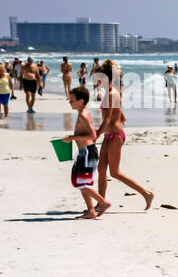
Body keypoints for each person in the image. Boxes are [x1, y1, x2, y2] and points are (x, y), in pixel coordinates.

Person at [95, 60, 155, 209]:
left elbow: (108, 119)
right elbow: (120, 116)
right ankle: (101, 203)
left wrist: (94, 135)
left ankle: (147, 194)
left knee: (114, 172)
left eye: (98, 78)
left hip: (115, 137)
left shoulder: (111, 94)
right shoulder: (111, 92)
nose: (96, 81)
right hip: (109, 135)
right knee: (101, 169)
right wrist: (118, 119)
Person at [60, 85, 107, 219]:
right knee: (82, 182)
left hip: (87, 152)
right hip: (85, 152)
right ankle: (91, 211)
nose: (70, 102)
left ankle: (103, 203)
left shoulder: (83, 116)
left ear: (81, 101)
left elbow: (92, 136)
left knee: (80, 183)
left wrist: (72, 138)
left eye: (72, 100)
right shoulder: (84, 113)